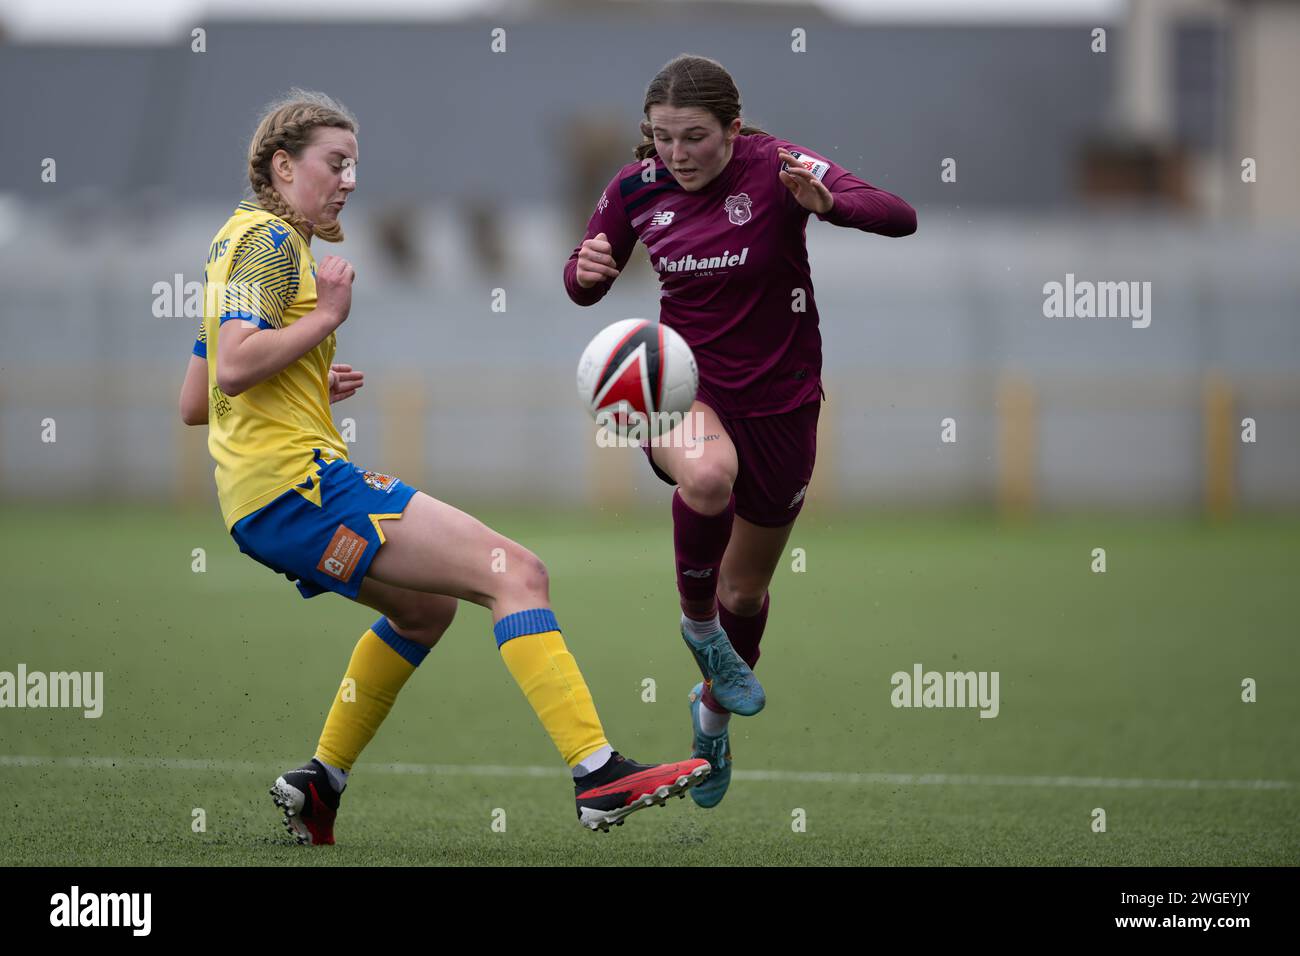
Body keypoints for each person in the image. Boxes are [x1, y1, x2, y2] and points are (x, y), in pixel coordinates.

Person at [180, 89, 708, 843]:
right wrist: (328, 319)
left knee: (422, 611)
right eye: (335, 163)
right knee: (517, 572)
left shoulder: (231, 240)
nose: (349, 180)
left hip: (259, 503)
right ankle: (599, 774)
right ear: (282, 164)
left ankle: (319, 784)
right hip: (300, 487)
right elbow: (232, 369)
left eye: (354, 164)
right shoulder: (271, 244)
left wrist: (303, 379)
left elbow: (196, 402)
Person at [563, 54, 916, 809]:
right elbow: (582, 277)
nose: (678, 154)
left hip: (784, 403)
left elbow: (898, 213)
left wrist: (829, 204)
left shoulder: (778, 166)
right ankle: (697, 629)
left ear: (732, 128)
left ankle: (710, 716)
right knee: (708, 476)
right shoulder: (634, 188)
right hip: (681, 386)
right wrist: (586, 270)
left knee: (746, 591)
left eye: (694, 137)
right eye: (663, 138)